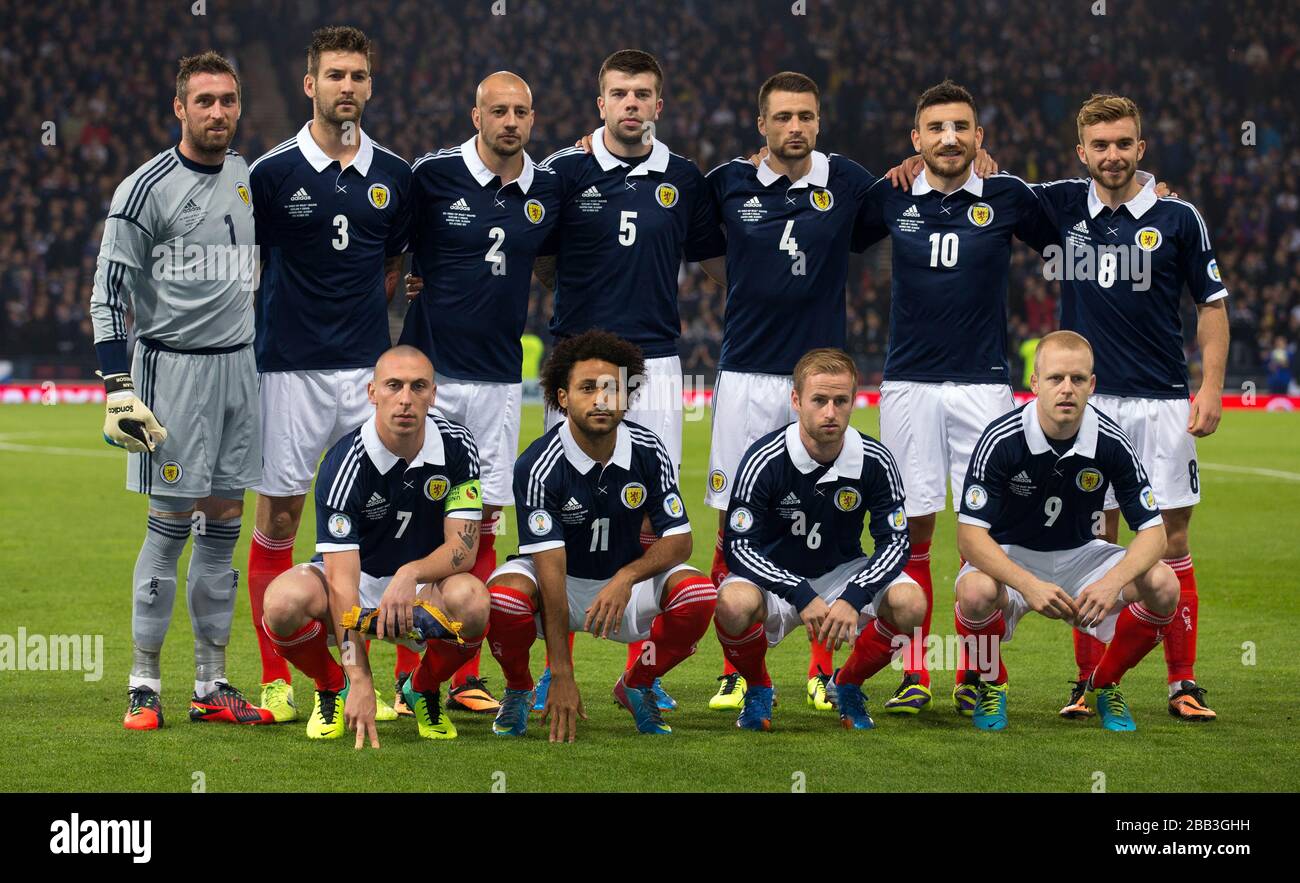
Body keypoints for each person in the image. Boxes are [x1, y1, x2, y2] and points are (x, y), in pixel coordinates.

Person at [90, 51, 270, 729]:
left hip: (238, 371)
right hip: (173, 373)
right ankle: (142, 681)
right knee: (166, 532)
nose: (219, 112)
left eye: (228, 100)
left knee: (223, 532)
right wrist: (116, 384)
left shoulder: (248, 179)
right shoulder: (144, 190)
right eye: (205, 101)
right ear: (180, 108)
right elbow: (106, 296)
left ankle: (211, 682)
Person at [1033, 95, 1228, 721]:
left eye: (1123, 144)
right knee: (1098, 543)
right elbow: (987, 187)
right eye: (1100, 145)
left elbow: (1212, 307)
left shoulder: (1178, 216)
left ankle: (1182, 683)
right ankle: (1087, 682)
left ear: (1140, 148)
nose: (1112, 155)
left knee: (1170, 541)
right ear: (1081, 152)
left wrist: (1213, 387)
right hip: (1088, 405)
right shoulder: (1062, 205)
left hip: (1163, 402)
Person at [245, 26, 413, 723]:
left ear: (371, 85)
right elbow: (247, 269)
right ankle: (278, 677)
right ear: (309, 85)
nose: (347, 86)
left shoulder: (395, 177)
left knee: (390, 523)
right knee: (281, 514)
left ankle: (404, 682)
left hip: (367, 373)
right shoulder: (271, 173)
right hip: (288, 369)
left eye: (358, 75)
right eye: (334, 75)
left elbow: (394, 265)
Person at [398, 71, 563, 714]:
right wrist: (414, 276)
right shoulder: (431, 176)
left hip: (497, 384)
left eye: (522, 111)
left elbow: (550, 258)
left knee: (485, 521)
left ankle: (462, 671)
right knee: (423, 523)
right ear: (476, 116)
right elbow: (388, 245)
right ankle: (411, 670)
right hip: (432, 379)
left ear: (533, 116)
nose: (511, 122)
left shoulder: (546, 186)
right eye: (499, 111)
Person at [485, 331, 716, 740]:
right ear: (562, 397)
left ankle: (638, 683)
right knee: (503, 600)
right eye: (587, 388)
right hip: (560, 580)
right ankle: (519, 689)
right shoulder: (537, 464)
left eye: (612, 388)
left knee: (698, 594)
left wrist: (626, 577)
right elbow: (551, 569)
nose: (601, 399)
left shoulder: (649, 449)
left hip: (624, 583)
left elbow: (680, 541)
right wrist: (561, 673)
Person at [260, 346, 488, 744]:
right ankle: (332, 686)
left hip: (421, 588)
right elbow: (342, 583)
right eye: (393, 386)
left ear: (433, 394)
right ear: (372, 392)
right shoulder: (344, 463)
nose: (405, 398)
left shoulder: (458, 446)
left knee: (474, 601)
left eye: (418, 387)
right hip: (354, 581)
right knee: (281, 603)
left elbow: (464, 549)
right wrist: (359, 678)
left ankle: (423, 687)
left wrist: (410, 572)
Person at [953, 331, 1178, 731]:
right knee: (973, 592)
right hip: (1013, 554)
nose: (1067, 389)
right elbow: (970, 537)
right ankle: (994, 685)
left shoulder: (1112, 440)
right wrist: (1029, 585)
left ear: (1092, 385)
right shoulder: (1001, 438)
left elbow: (1154, 534)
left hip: (1082, 556)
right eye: (1056, 378)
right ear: (1035, 383)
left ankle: (1104, 683)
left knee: (1163, 584)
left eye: (1077, 379)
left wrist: (1112, 583)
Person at [714, 347, 919, 731]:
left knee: (911, 604)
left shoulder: (874, 459)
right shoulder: (764, 458)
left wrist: (854, 595)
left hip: (841, 572)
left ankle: (849, 684)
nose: (830, 412)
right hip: (774, 577)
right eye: (819, 400)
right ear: (796, 400)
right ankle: (758, 686)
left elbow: (896, 542)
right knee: (731, 604)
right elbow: (739, 547)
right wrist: (799, 593)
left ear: (854, 401)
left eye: (841, 401)